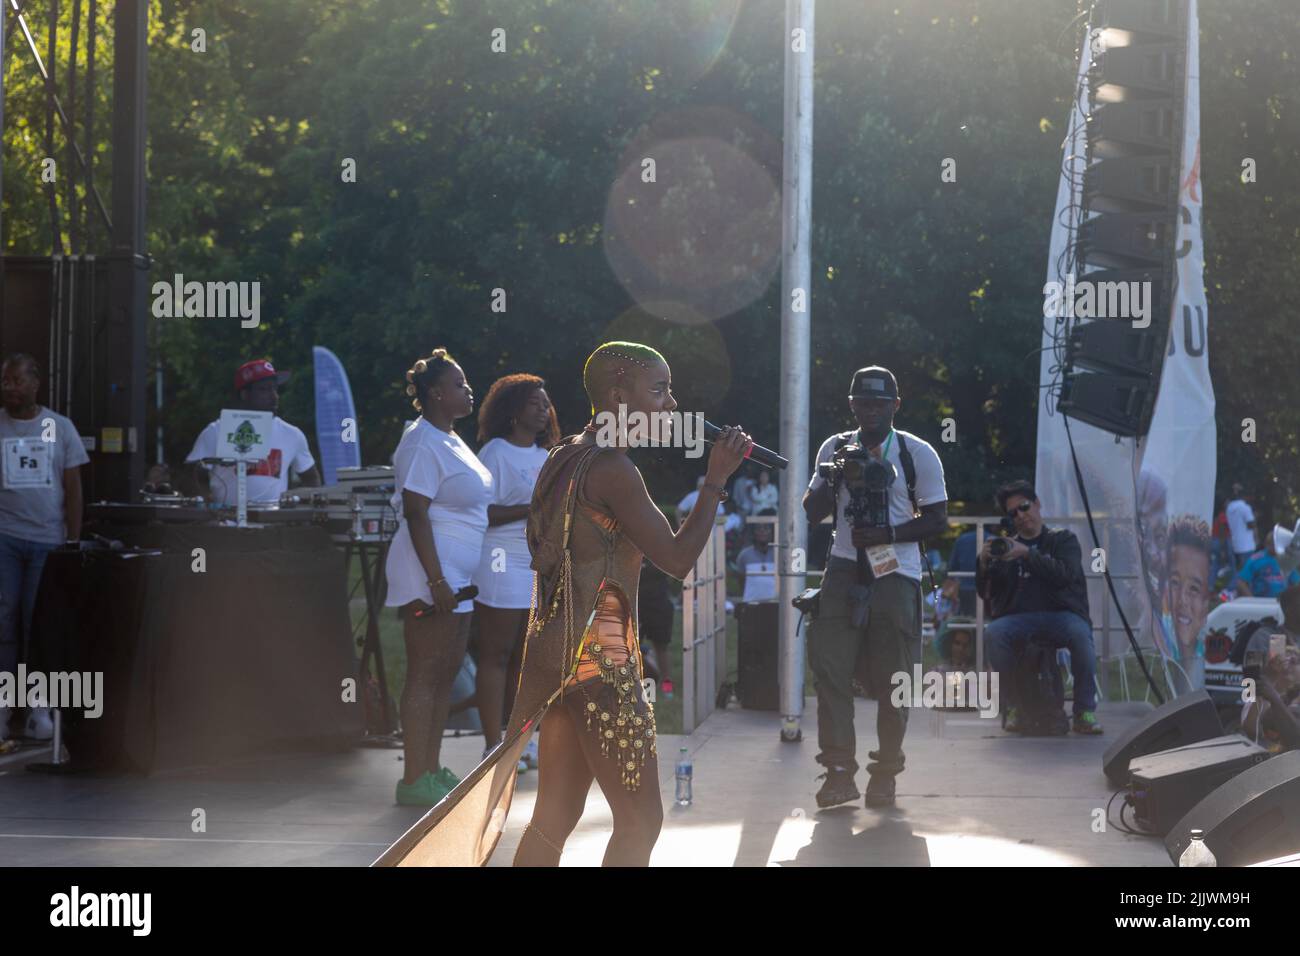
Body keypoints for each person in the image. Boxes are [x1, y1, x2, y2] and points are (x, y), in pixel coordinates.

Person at [501, 341, 750, 866]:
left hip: (559, 659)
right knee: (641, 821)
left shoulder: (564, 453)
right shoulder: (613, 469)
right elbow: (678, 559)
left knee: (554, 817)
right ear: (618, 395)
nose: (671, 405)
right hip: (603, 664)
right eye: (659, 390)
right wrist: (716, 479)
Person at [802, 366, 948, 809]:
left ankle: (885, 771)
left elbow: (938, 519)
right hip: (844, 566)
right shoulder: (834, 447)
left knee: (894, 679)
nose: (871, 411)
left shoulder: (915, 453)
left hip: (895, 571)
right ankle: (839, 770)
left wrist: (888, 534)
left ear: (895, 406)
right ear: (852, 405)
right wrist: (834, 477)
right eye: (863, 403)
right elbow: (813, 513)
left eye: (880, 404)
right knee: (830, 669)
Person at [384, 349, 493, 806]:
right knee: (426, 674)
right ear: (435, 393)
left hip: (456, 578)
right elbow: (415, 510)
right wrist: (436, 581)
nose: (469, 390)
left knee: (445, 675)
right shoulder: (421, 440)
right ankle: (412, 779)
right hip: (431, 576)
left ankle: (430, 767)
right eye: (460, 384)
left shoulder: (450, 437)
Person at [470, 373, 560, 773]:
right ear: (512, 410)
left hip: (534, 564)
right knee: (496, 653)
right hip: (500, 560)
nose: (544, 410)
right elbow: (483, 513)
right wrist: (533, 509)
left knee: (527, 659)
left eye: (546, 404)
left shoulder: (547, 457)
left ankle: (520, 739)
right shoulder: (495, 453)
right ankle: (493, 743)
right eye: (534, 403)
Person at [0, 354, 88, 745]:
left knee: (38, 623)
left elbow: (73, 487)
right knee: (4, 619)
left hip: (47, 540)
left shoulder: (59, 427)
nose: (9, 387)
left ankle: (38, 708)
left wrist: (72, 539)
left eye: (17, 380)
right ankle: (3, 707)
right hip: (6, 536)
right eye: (5, 380)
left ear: (36, 383)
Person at [977, 480, 1103, 735]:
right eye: (1013, 513)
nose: (1021, 516)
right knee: (995, 633)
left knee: (1080, 635)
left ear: (1037, 504)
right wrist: (983, 563)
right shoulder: (1006, 548)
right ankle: (1012, 707)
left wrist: (1026, 554)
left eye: (1024, 507)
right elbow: (985, 593)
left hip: (1063, 615)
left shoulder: (1062, 539)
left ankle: (1084, 711)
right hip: (1019, 617)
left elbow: (1065, 575)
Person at [183, 358, 320, 505]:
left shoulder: (293, 434)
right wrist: (207, 504)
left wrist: (302, 509)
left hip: (275, 523)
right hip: (225, 523)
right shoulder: (217, 430)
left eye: (275, 389)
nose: (274, 396)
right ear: (245, 395)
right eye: (264, 390)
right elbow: (193, 474)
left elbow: (311, 479)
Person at [1162, 515, 1214, 692]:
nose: (1182, 600)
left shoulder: (1213, 647)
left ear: (1207, 600)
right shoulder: (1155, 637)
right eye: (1175, 582)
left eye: (1194, 589)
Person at [1235, 531, 1300, 598]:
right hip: (1261, 602)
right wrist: (1252, 600)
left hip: (1282, 602)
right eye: (1273, 544)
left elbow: (1295, 582)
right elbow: (1241, 583)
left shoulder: (1287, 559)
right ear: (1267, 544)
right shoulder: (1255, 559)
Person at [736, 508, 778, 603]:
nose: (762, 532)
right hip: (751, 603)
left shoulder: (778, 554)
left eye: (766, 528)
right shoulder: (744, 555)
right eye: (759, 528)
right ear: (754, 533)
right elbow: (741, 581)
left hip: (774, 603)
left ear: (772, 532)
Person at [1225, 484, 1257, 572]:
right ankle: (1233, 586)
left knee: (1238, 570)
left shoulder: (1229, 508)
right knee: (1246, 571)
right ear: (1246, 496)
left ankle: (1233, 585)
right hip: (1247, 545)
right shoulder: (1245, 508)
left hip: (1235, 543)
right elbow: (1251, 525)